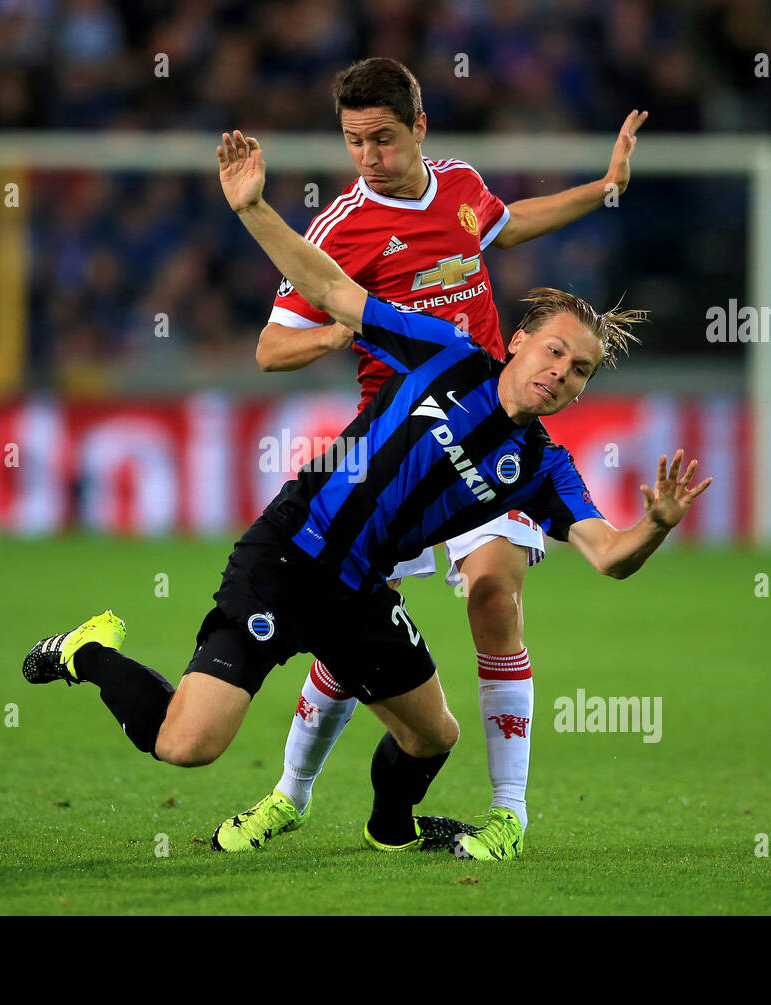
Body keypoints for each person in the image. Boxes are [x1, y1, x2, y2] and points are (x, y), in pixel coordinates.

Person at [18, 128, 711, 857]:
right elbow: (330, 290)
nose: (561, 373)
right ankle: (87, 651)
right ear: (518, 341)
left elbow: (609, 555)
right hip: (288, 555)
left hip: (355, 590)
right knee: (186, 745)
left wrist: (656, 524)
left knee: (432, 735)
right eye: (555, 351)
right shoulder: (444, 350)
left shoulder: (544, 468)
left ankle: (390, 830)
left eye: (579, 371)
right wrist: (252, 209)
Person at [220, 57, 647, 859]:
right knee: (351, 640)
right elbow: (270, 348)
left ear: (419, 127)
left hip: (492, 441)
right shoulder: (340, 228)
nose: (367, 158)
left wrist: (604, 187)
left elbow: (506, 222)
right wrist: (335, 334)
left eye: (381, 138)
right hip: (396, 453)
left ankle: (510, 811)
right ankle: (290, 795)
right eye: (353, 142)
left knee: (492, 590)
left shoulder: (458, 185)